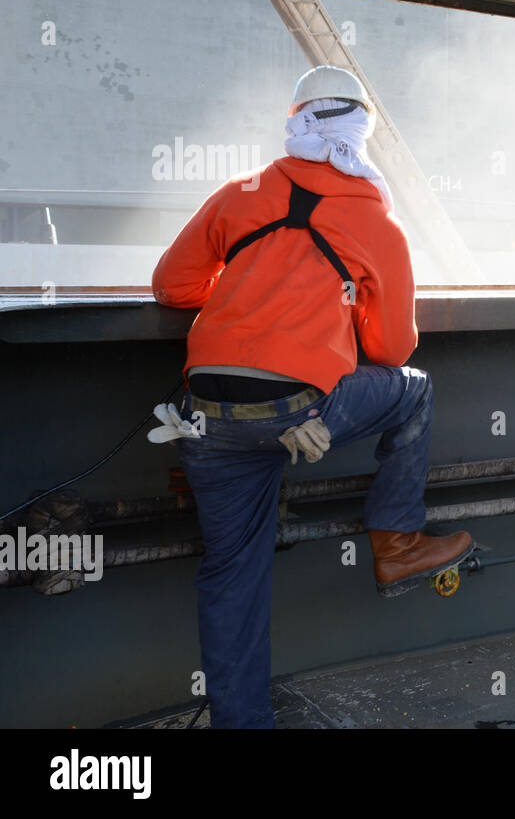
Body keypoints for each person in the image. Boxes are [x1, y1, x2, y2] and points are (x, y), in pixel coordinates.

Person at [150, 65, 474, 729]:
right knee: (414, 393)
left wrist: (251, 299)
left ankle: (241, 722)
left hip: (206, 411)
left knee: (232, 570)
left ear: (296, 119)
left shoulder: (240, 192)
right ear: (362, 133)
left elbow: (171, 286)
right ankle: (396, 543)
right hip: (302, 411)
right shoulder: (375, 219)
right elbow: (392, 349)